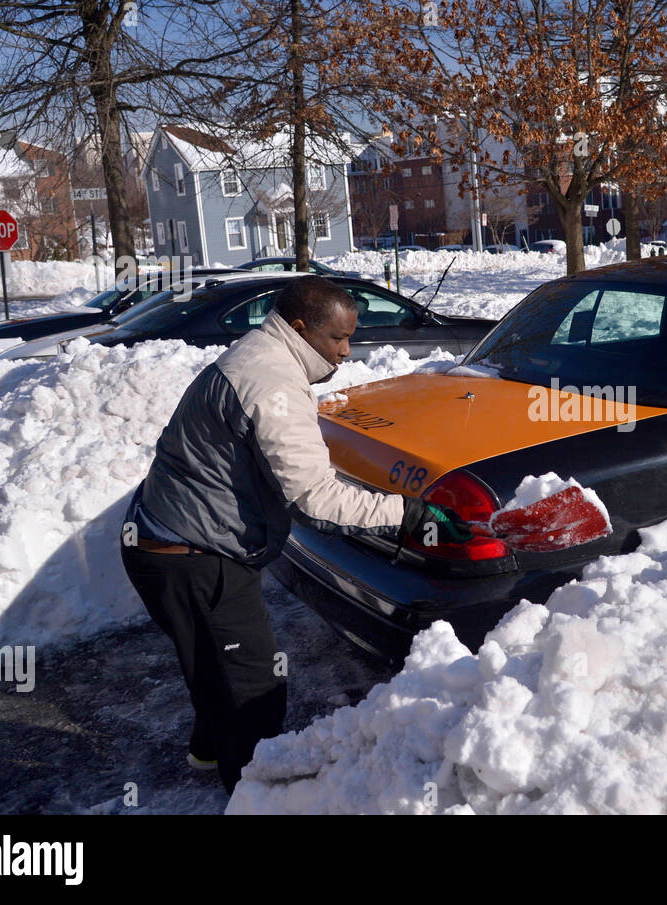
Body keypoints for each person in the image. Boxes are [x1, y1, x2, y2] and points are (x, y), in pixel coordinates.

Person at [119, 275, 468, 795]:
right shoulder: (274, 383)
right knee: (254, 688)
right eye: (338, 338)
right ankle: (252, 796)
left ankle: (208, 749)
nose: (347, 351)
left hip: (158, 537)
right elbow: (315, 500)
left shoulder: (261, 354)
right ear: (301, 328)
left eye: (352, 337)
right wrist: (410, 514)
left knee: (210, 658)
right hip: (195, 555)